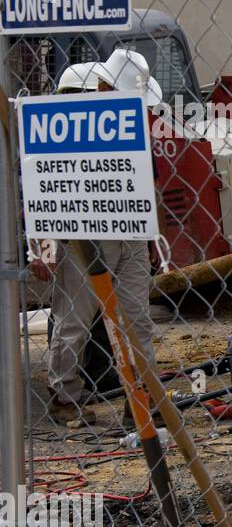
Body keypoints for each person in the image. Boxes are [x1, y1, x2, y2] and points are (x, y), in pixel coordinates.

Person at [36, 51, 162, 424]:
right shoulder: (70, 122)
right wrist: (44, 246)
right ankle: (65, 396)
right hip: (85, 234)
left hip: (132, 232)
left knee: (137, 320)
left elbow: (148, 184)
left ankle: (143, 399)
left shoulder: (134, 123)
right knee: (75, 316)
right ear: (104, 86)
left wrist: (153, 237)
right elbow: (45, 183)